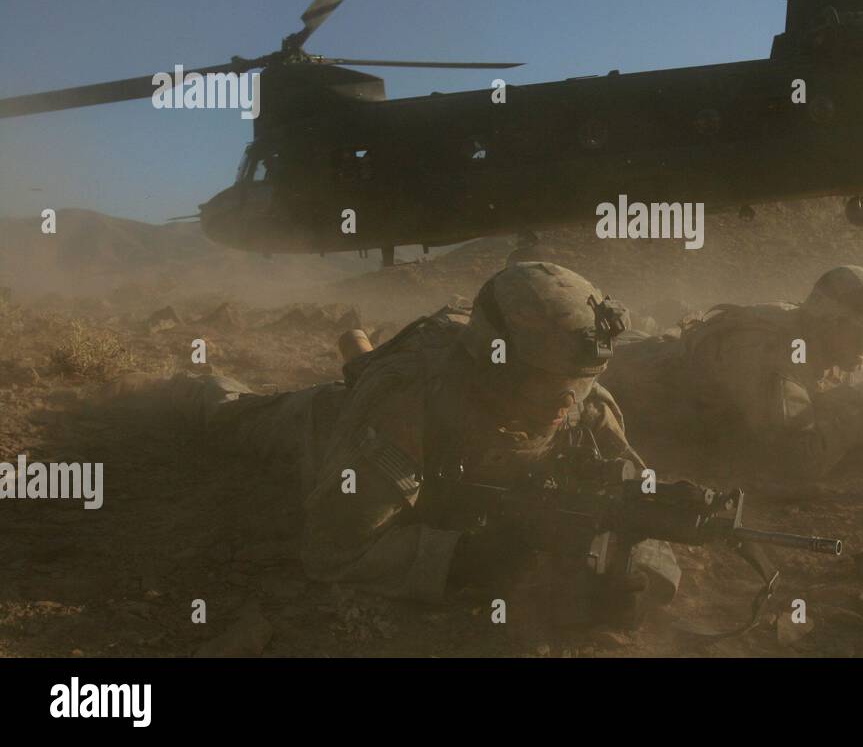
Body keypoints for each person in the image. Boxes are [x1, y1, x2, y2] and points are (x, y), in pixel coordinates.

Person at [104, 262, 677, 622]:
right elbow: (335, 551)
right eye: (545, 382)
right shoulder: (408, 408)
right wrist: (476, 560)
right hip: (329, 424)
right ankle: (175, 385)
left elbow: (632, 500)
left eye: (577, 382)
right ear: (495, 362)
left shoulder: (584, 404)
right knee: (232, 416)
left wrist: (639, 568)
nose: (563, 401)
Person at [601, 266, 863, 481]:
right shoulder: (774, 353)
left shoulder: (820, 341)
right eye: (861, 332)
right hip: (622, 376)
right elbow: (795, 457)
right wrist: (859, 408)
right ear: (828, 319)